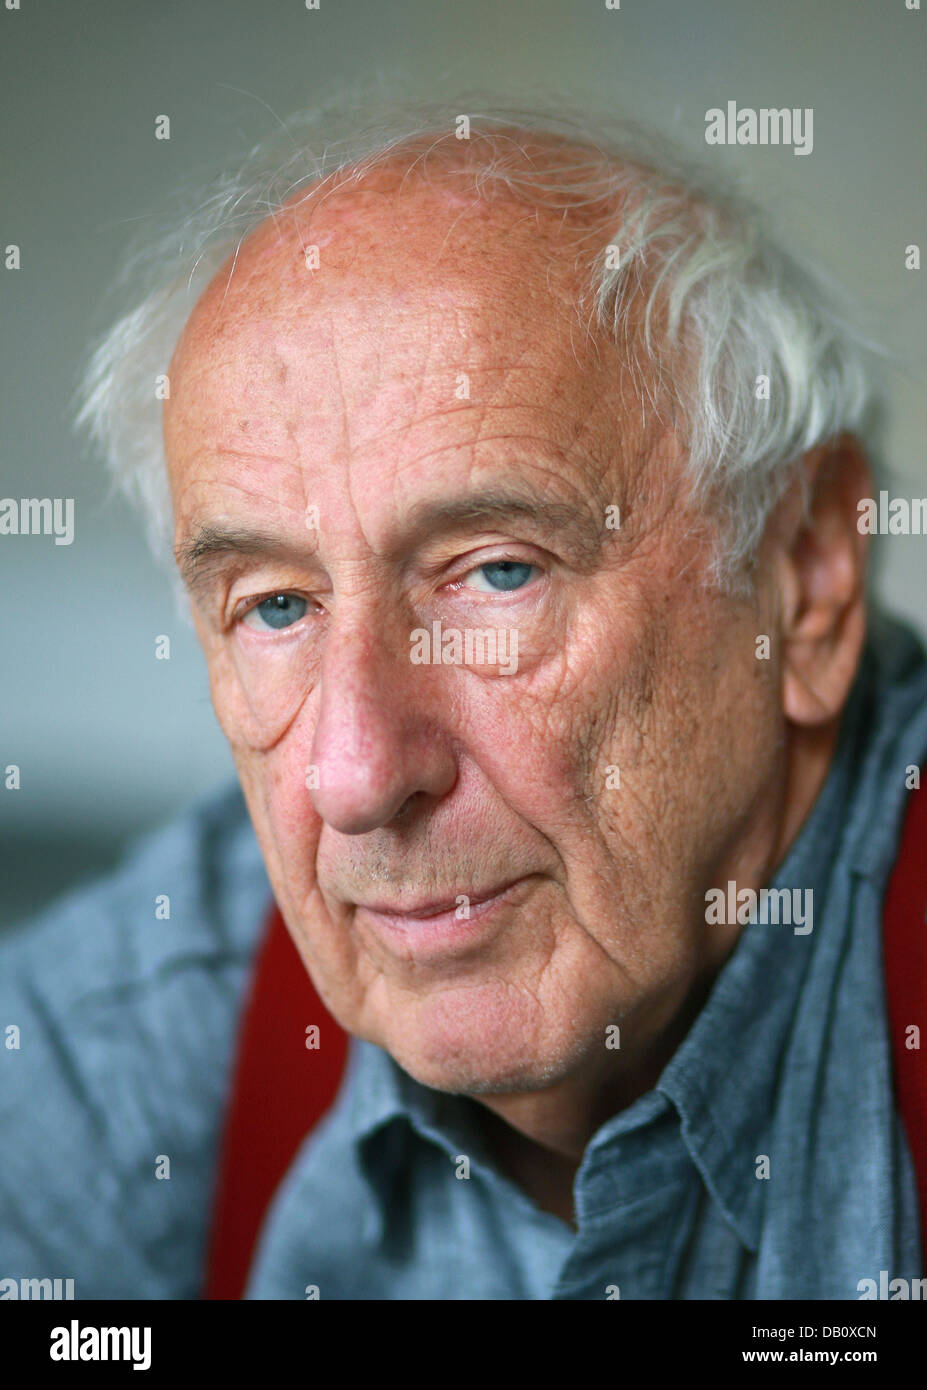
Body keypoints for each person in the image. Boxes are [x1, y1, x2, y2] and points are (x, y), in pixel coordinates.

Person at [2, 101, 925, 1300]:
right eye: (277, 605)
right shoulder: (166, 1010)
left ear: (803, 577)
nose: (357, 773)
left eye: (497, 572)